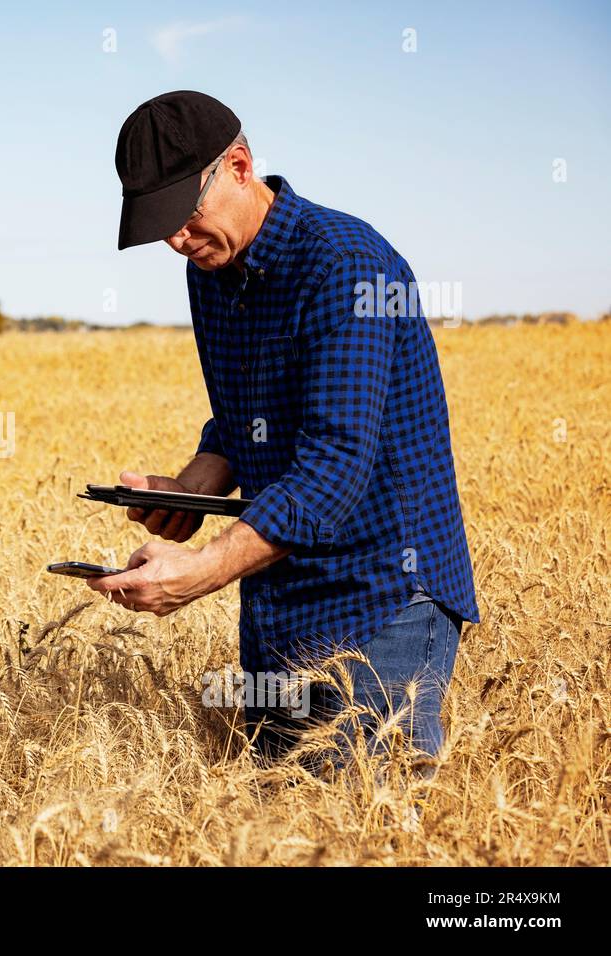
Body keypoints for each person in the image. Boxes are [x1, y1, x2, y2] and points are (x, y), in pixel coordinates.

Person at [85, 90, 479, 778]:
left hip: (384, 598)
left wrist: (199, 573)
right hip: (279, 603)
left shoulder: (347, 265)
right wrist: (192, 488)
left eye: (185, 216)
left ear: (239, 166)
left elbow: (331, 472)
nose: (178, 239)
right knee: (288, 828)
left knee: (368, 825)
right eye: (162, 228)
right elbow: (244, 415)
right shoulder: (210, 268)